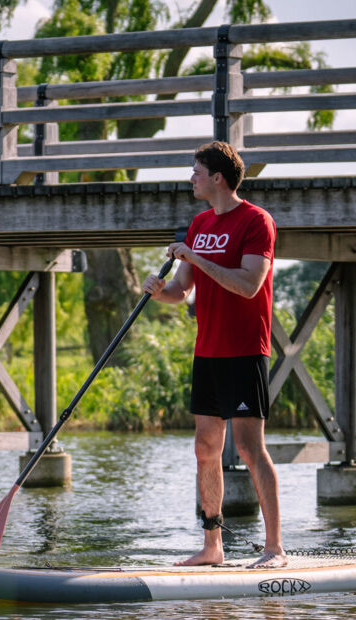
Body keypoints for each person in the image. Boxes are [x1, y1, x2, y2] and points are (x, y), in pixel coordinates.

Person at [141, 141, 286, 570]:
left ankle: (275, 548)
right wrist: (156, 292)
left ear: (218, 178)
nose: (191, 178)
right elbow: (180, 291)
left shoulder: (257, 221)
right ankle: (212, 546)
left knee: (248, 448)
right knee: (205, 448)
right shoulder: (199, 223)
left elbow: (249, 285)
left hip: (244, 350)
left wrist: (196, 257)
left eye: (197, 171)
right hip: (208, 351)